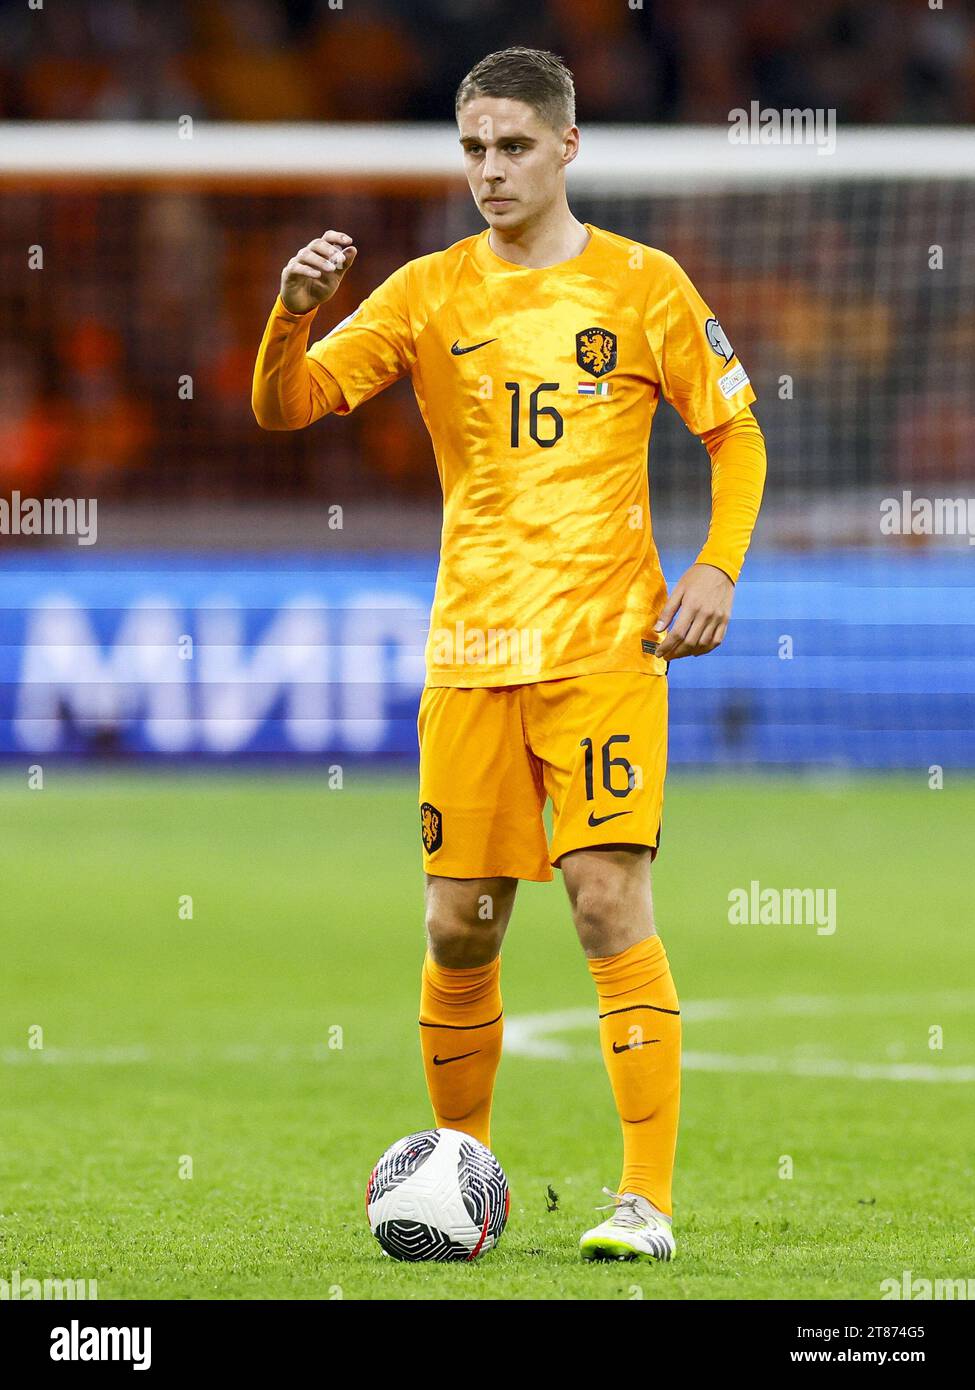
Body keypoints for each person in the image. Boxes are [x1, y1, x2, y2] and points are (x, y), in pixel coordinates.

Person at [253, 46, 767, 1263]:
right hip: (470, 652)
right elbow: (285, 407)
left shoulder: (645, 285)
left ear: (568, 146)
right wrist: (291, 312)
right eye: (474, 146)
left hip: (603, 646)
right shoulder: (429, 293)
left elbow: (735, 437)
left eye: (514, 146)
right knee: (460, 927)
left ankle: (645, 1199)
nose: (490, 168)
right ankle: (459, 1177)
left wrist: (717, 568)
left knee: (604, 898)